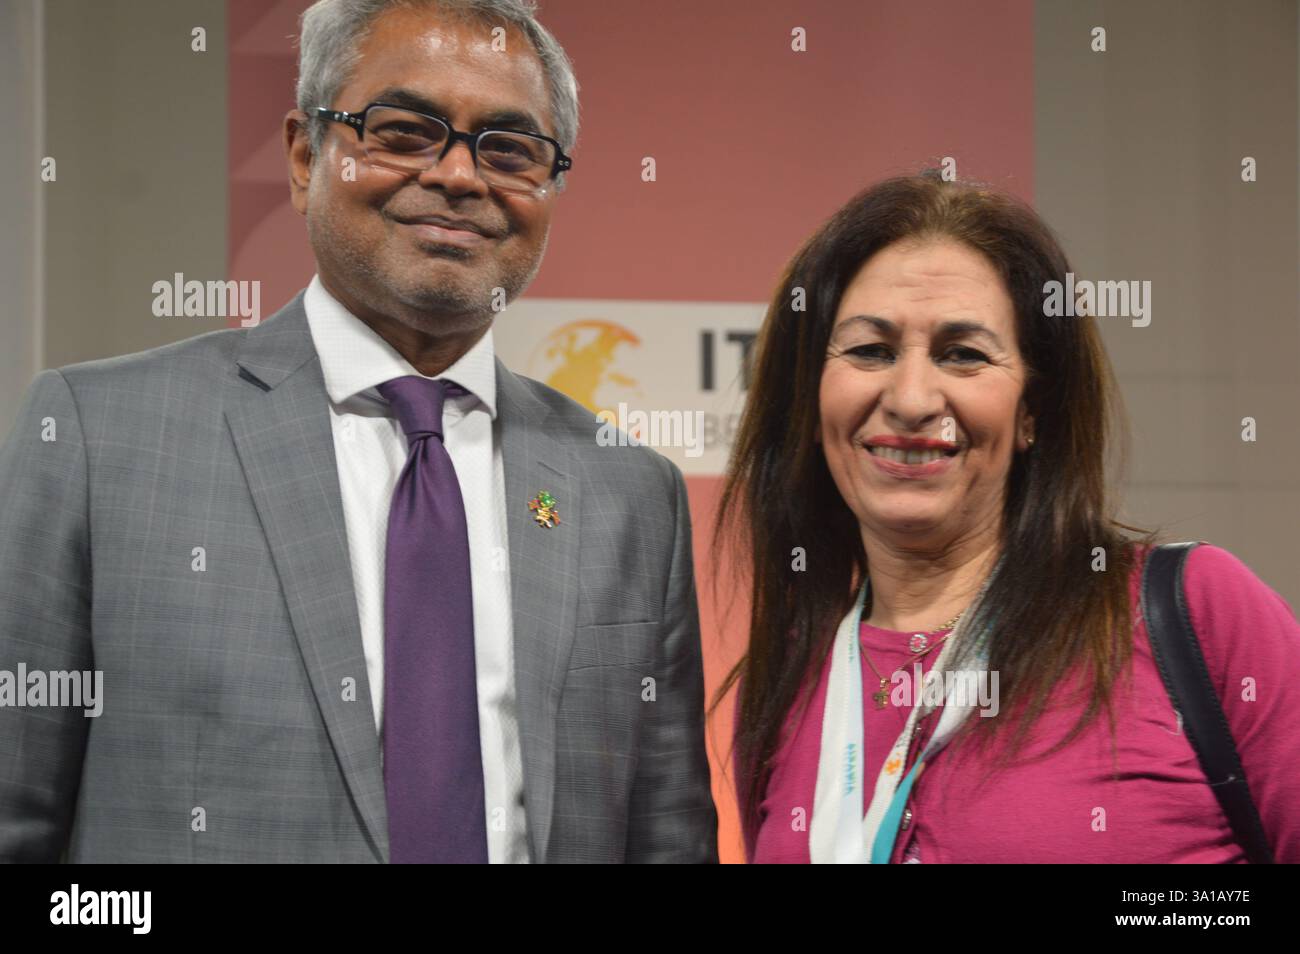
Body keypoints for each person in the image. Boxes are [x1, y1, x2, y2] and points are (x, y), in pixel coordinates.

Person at [0, 0, 716, 863]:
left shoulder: (627, 490)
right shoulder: (100, 438)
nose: (459, 175)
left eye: (510, 147)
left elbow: (667, 840)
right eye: (405, 131)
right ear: (306, 157)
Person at [715, 171, 1300, 863]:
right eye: (871, 350)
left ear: (1031, 412)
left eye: (962, 354)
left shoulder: (1199, 611)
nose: (910, 398)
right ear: (809, 399)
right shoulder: (786, 680)